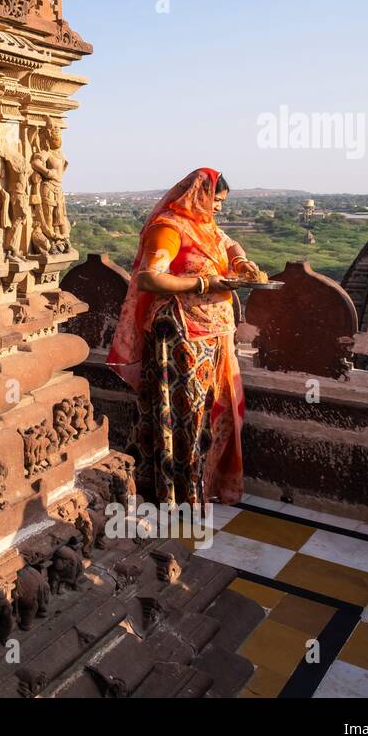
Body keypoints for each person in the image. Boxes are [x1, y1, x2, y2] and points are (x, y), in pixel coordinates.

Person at [106, 169, 260, 505]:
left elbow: (228, 243)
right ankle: (175, 493)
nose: (219, 208)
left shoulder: (203, 226)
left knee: (215, 411)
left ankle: (204, 486)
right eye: (216, 201)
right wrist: (205, 284)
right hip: (180, 336)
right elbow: (150, 278)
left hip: (214, 333)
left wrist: (241, 262)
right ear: (199, 196)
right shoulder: (169, 227)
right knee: (186, 415)